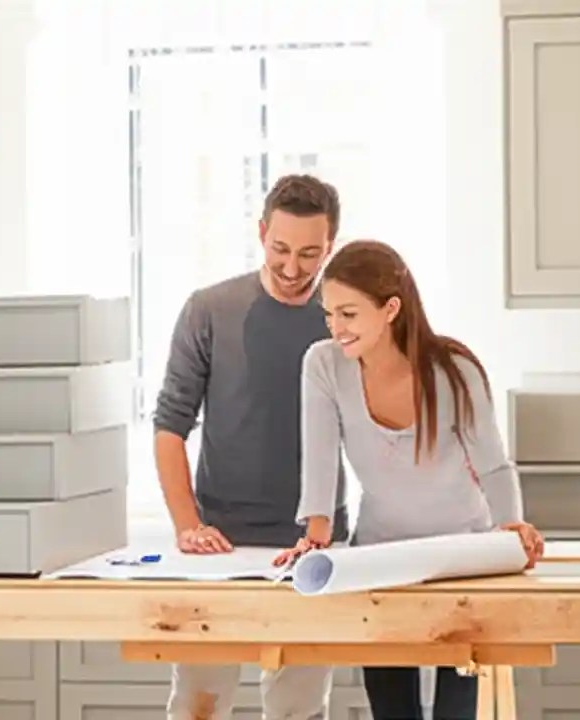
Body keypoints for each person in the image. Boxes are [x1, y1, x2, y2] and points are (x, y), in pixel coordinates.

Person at [275, 239, 543, 720]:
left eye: (350, 314)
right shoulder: (323, 365)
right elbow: (319, 459)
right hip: (380, 556)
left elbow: (494, 467)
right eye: (329, 315)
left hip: (464, 555)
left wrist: (512, 528)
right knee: (393, 711)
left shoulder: (455, 371)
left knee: (456, 712)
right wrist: (315, 536)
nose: (337, 328)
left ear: (391, 309)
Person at [152, 174, 350, 719]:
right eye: (280, 249)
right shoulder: (209, 310)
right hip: (223, 545)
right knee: (199, 706)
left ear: (331, 246)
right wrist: (187, 525)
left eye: (310, 254)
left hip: (316, 547)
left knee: (300, 710)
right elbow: (170, 424)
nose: (292, 268)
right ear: (262, 232)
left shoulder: (345, 321)